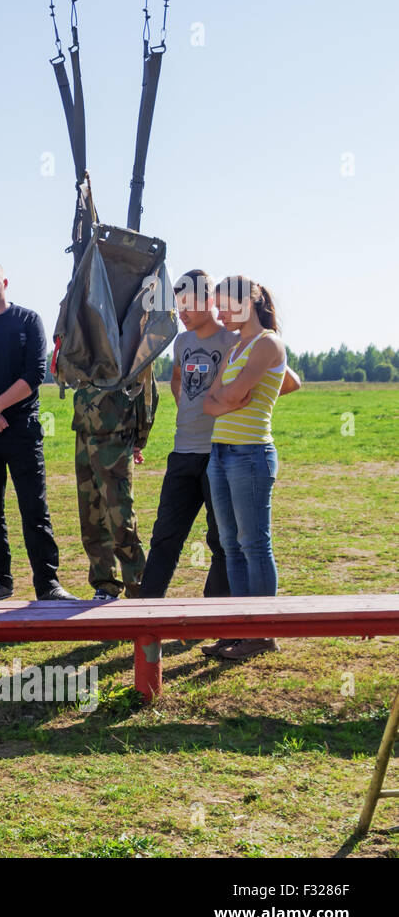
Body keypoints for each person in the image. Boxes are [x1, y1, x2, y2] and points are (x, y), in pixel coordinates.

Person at [140, 270, 301, 614]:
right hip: (189, 452)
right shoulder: (184, 343)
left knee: (228, 544)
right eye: (176, 305)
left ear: (209, 302)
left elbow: (289, 381)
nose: (180, 312)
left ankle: (218, 615)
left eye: (186, 304)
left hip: (225, 451)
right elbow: (182, 381)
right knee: (169, 536)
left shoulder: (236, 339)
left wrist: (245, 397)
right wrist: (204, 403)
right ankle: (143, 610)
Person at [0, 262, 78, 602]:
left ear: (4, 282)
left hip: (21, 427)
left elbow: (35, 373)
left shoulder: (28, 321)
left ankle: (48, 583)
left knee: (34, 507)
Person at [200, 275, 292, 659]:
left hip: (250, 453)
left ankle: (262, 632)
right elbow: (210, 403)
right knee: (231, 545)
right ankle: (240, 628)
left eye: (223, 305)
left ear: (247, 302)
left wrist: (227, 400)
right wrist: (226, 402)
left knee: (254, 544)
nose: (218, 314)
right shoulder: (237, 347)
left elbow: (232, 394)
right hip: (220, 453)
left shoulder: (267, 343)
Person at [71, 338, 158, 601]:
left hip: (116, 434)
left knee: (120, 515)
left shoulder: (131, 336)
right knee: (91, 516)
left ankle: (137, 586)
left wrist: (138, 438)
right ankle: (105, 584)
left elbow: (148, 390)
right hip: (85, 432)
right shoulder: (83, 331)